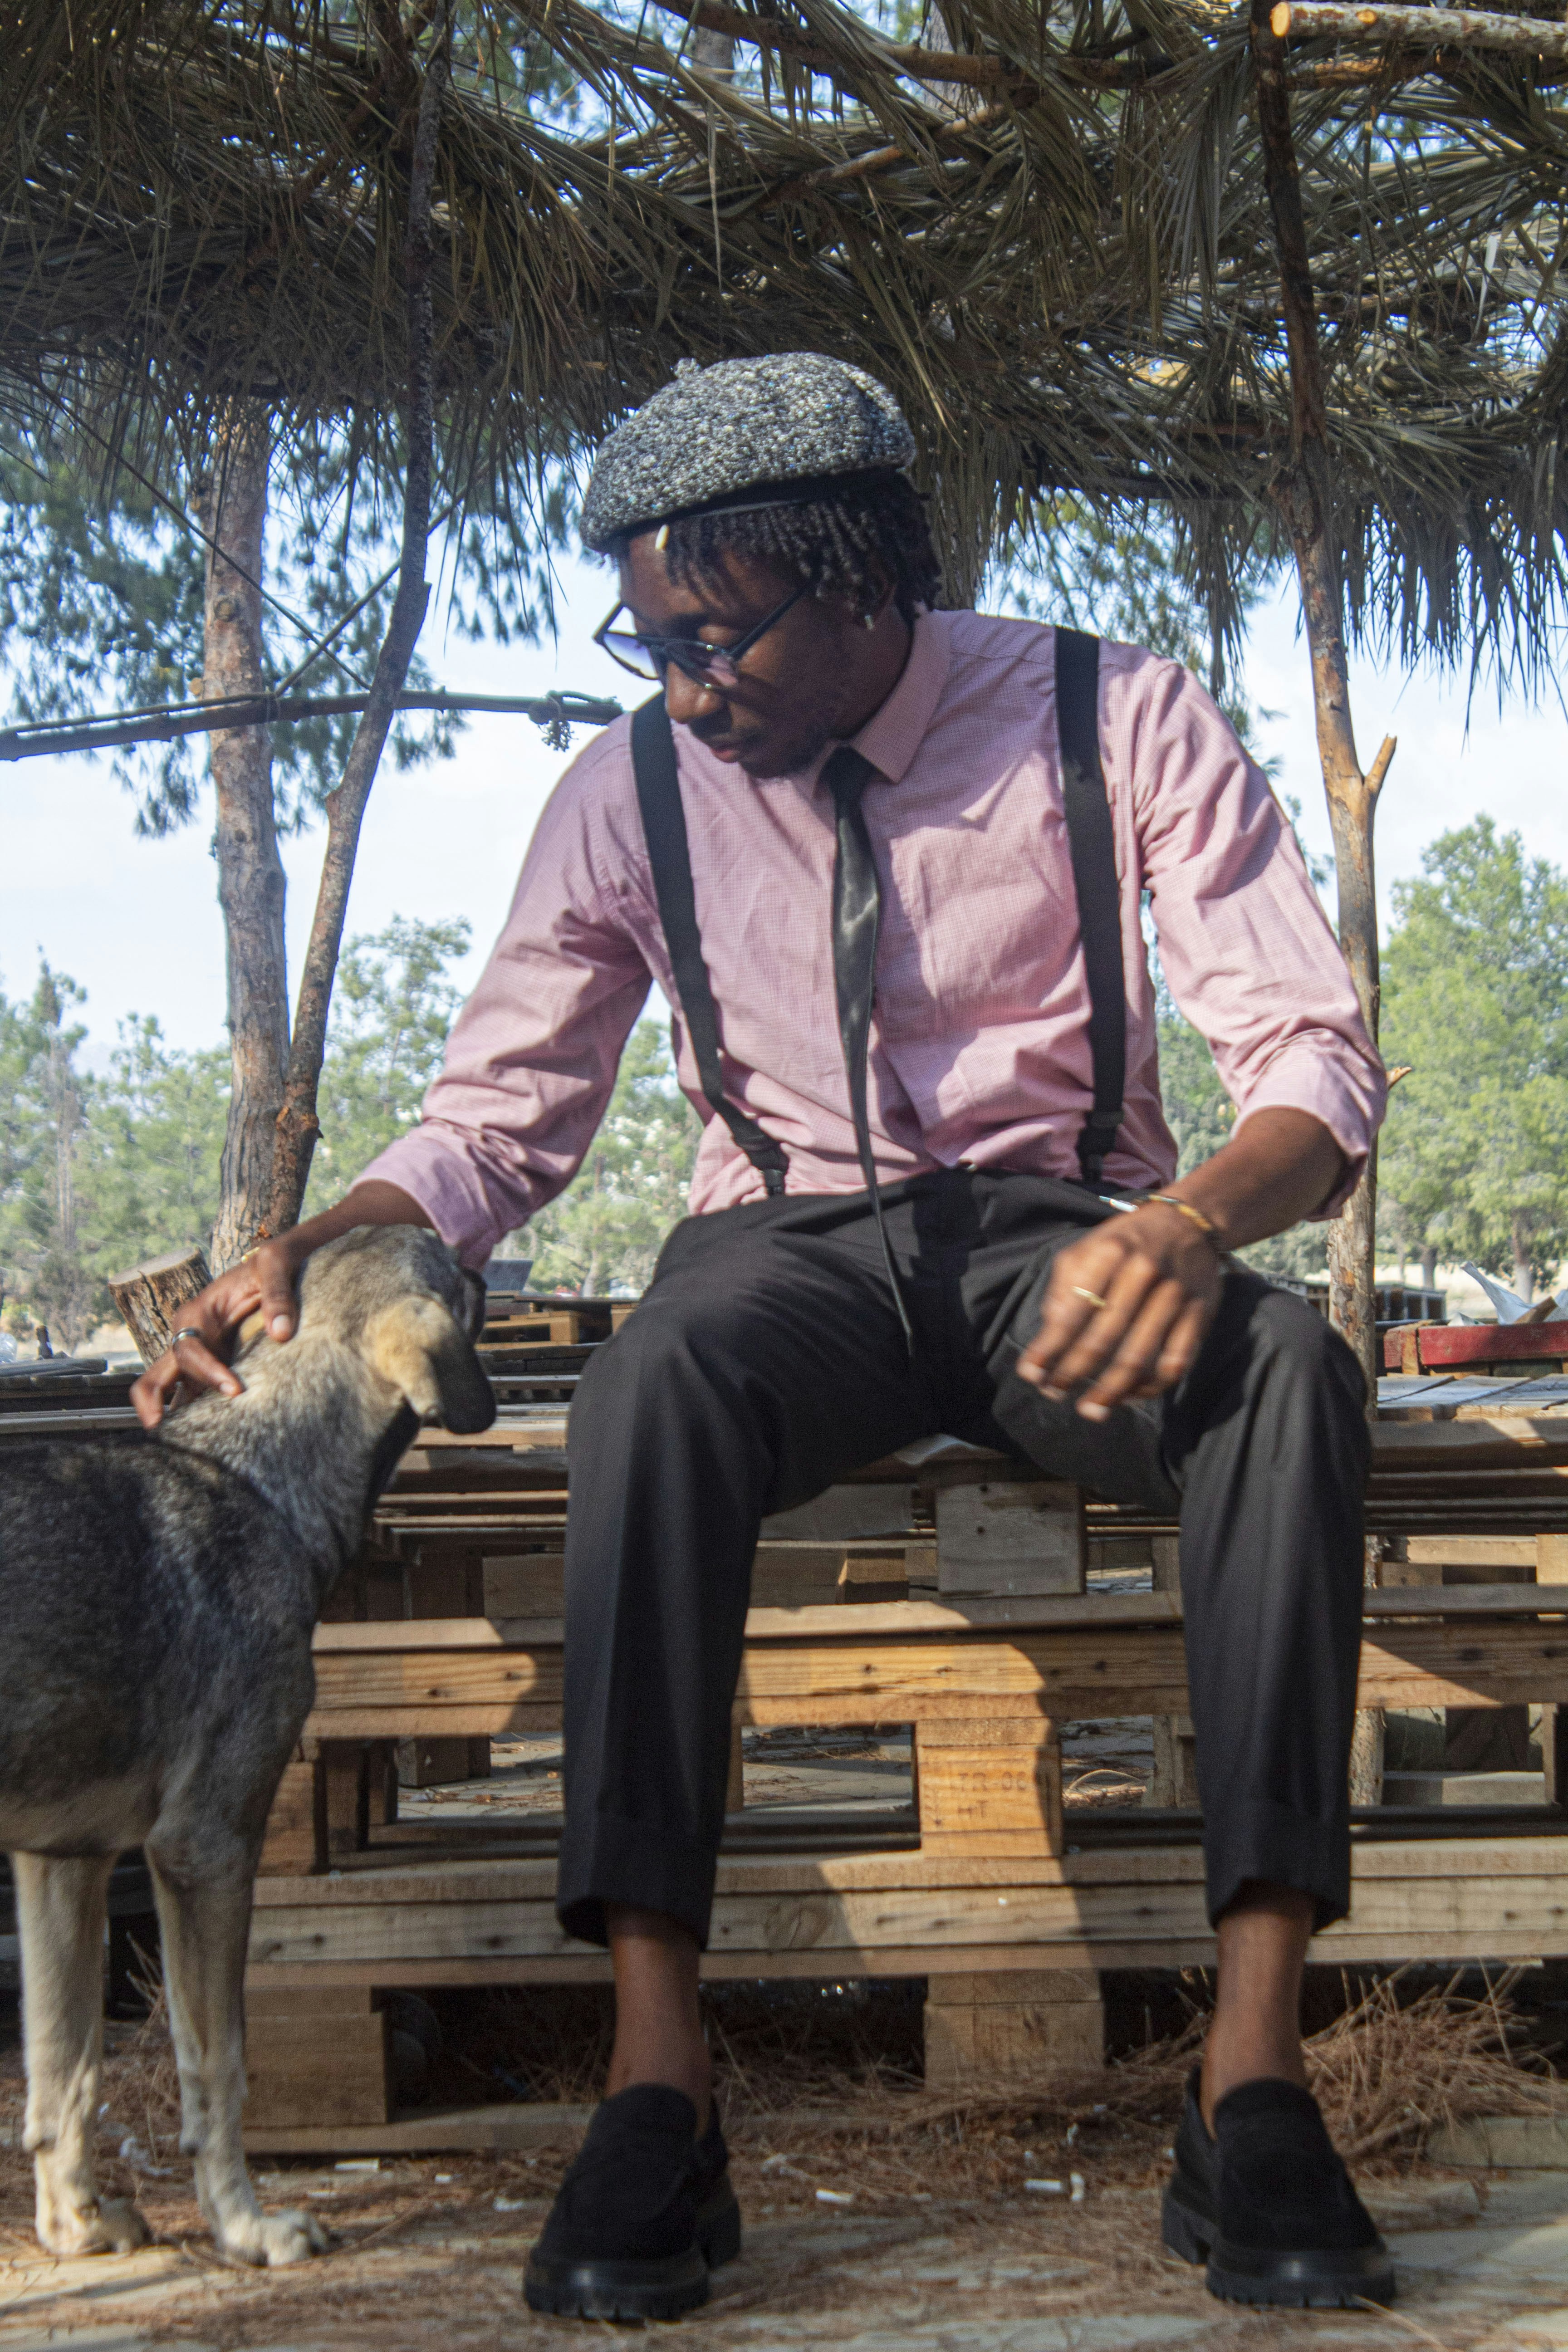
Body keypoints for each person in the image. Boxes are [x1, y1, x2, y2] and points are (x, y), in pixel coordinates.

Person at [134, 352, 1392, 2321]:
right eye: (648, 643)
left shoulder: (1111, 713)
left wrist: (1193, 1218)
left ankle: (1251, 2081)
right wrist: (321, 1237)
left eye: (718, 637)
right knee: (653, 1383)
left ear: (863, 574)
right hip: (787, 1254)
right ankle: (660, 2079)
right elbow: (496, 1121)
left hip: (1066, 1238)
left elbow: (1308, 1049)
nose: (683, 686)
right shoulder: (633, 789)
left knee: (1289, 1376)